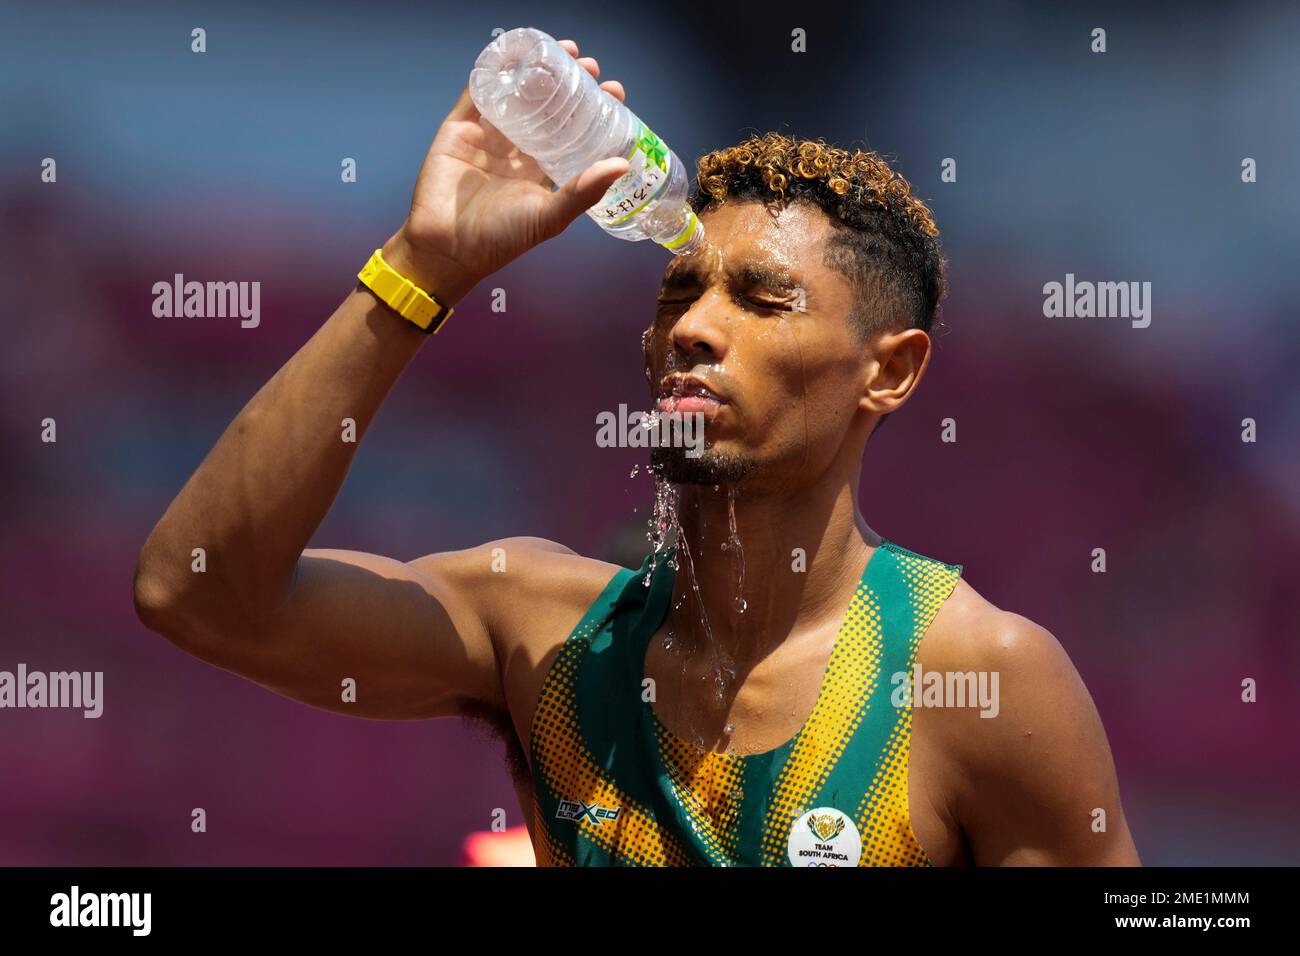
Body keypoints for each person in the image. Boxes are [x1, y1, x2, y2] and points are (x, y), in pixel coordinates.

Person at [133, 38, 1140, 867]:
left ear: (891, 371)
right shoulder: (535, 627)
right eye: (677, 294)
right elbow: (198, 592)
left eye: (761, 298)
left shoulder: (979, 676)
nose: (695, 327)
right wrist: (420, 268)